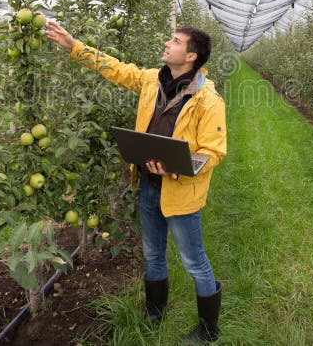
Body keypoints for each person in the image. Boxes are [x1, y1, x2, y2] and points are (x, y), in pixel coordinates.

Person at [44, 21, 227, 343]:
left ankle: (209, 329)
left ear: (191, 56)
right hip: (146, 187)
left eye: (175, 41)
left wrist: (178, 168)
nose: (167, 44)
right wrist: (74, 45)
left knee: (193, 261)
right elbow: (115, 69)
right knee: (153, 254)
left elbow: (213, 152)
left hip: (180, 193)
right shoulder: (151, 80)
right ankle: (155, 311)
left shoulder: (208, 100)